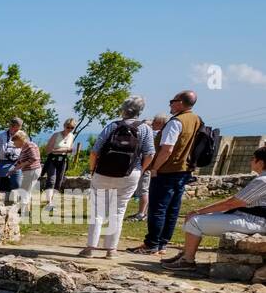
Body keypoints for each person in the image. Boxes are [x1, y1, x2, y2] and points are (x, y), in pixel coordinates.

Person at [162, 146, 266, 273]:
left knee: (195, 221)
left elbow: (232, 203)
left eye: (253, 158)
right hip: (253, 218)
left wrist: (198, 211)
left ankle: (187, 261)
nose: (250, 161)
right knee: (196, 217)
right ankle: (185, 253)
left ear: (260, 163)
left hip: (254, 221)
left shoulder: (262, 180)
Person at [79, 95, 155, 259]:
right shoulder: (145, 129)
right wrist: (140, 170)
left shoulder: (113, 126)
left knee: (98, 211)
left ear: (123, 109)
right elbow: (150, 154)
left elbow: (94, 151)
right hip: (130, 174)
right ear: (140, 111)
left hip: (103, 172)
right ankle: (111, 250)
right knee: (118, 211)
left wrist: (93, 170)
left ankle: (90, 248)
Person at [133, 90, 202, 255]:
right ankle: (163, 243)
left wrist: (155, 168)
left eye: (172, 100)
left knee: (158, 207)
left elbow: (167, 149)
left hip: (168, 170)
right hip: (183, 170)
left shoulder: (176, 122)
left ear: (180, 102)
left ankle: (152, 244)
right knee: (173, 208)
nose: (170, 104)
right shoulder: (196, 120)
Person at [131, 114, 168, 221]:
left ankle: (141, 214)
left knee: (143, 189)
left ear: (161, 123)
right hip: (150, 166)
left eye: (155, 122)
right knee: (145, 189)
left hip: (146, 166)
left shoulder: (154, 134)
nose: (152, 124)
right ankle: (143, 212)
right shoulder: (161, 135)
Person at [42, 117, 77, 211]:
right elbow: (48, 150)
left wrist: (70, 151)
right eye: (68, 127)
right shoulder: (56, 135)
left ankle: (52, 202)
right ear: (64, 126)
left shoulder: (71, 136)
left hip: (63, 160)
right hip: (52, 160)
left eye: (72, 128)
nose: (69, 129)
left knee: (59, 181)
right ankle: (49, 203)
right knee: (51, 180)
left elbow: (71, 149)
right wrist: (63, 150)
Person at [11, 131, 42, 211]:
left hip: (32, 171)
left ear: (20, 139)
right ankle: (26, 210)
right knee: (27, 190)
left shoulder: (29, 145)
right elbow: (20, 160)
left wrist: (21, 165)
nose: (14, 144)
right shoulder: (24, 147)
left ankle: (23, 211)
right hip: (29, 171)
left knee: (24, 191)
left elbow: (34, 158)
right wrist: (13, 169)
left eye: (15, 142)